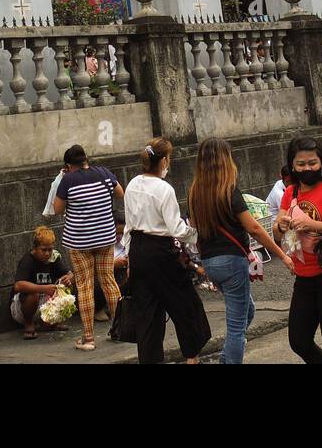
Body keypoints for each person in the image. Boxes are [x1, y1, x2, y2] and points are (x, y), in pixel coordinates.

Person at [190, 137, 293, 364]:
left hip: (210, 260)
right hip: (232, 261)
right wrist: (283, 254)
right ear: (226, 160)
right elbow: (255, 228)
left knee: (248, 311)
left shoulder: (195, 192)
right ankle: (230, 358)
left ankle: (227, 355)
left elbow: (196, 229)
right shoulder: (229, 191)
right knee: (236, 327)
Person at [122, 137, 210, 364]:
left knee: (147, 313)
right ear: (162, 161)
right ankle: (192, 356)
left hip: (138, 251)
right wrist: (198, 234)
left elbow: (129, 226)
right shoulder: (164, 189)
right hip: (160, 250)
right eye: (168, 158)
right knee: (185, 302)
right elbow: (176, 228)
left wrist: (130, 260)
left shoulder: (132, 184)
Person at [271, 135, 322, 364]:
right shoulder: (291, 193)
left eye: (312, 163)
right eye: (301, 164)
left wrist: (312, 224)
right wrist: (280, 225)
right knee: (299, 341)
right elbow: (277, 233)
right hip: (304, 278)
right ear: (292, 166)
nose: (307, 168)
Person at [52, 143, 124, 351]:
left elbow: (57, 209)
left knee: (85, 287)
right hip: (105, 238)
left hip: (79, 242)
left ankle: (89, 339)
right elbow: (120, 192)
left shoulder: (68, 180)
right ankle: (120, 330)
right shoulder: (103, 173)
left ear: (68, 165)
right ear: (86, 159)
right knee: (109, 282)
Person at [11, 226, 74, 338]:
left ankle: (50, 322)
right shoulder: (28, 260)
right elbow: (18, 285)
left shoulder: (53, 258)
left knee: (63, 288)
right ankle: (29, 324)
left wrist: (68, 278)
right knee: (33, 294)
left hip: (45, 305)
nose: (47, 254)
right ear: (35, 248)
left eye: (50, 250)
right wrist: (43, 289)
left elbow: (70, 273)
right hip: (23, 307)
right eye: (43, 250)